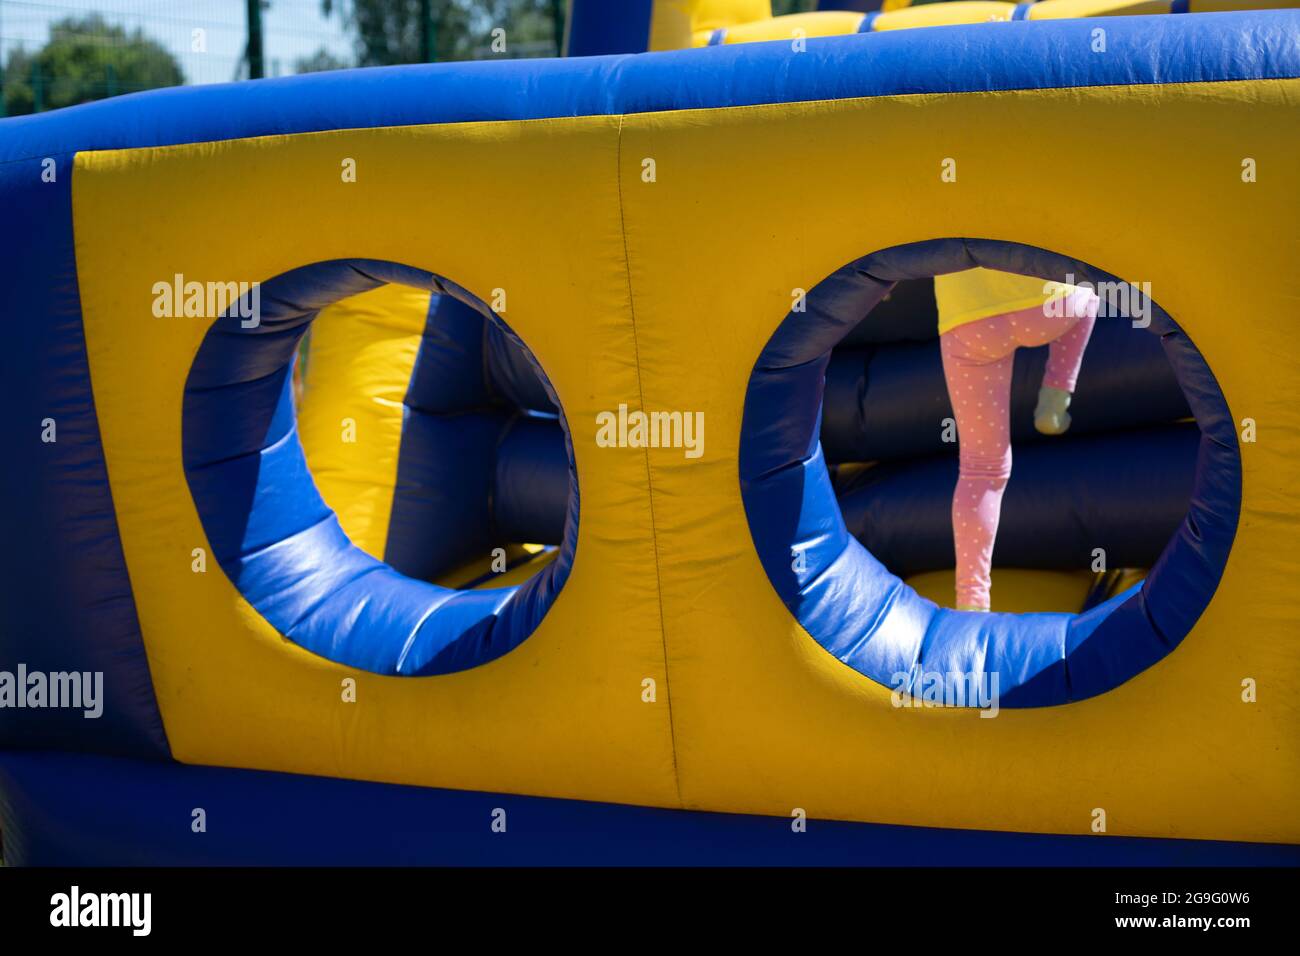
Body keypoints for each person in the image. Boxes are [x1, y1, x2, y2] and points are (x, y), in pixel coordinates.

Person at [933, 268, 1100, 611]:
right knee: (1093, 288)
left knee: (982, 468)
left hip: (968, 321)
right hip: (1051, 305)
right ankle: (1056, 394)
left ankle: (972, 600)